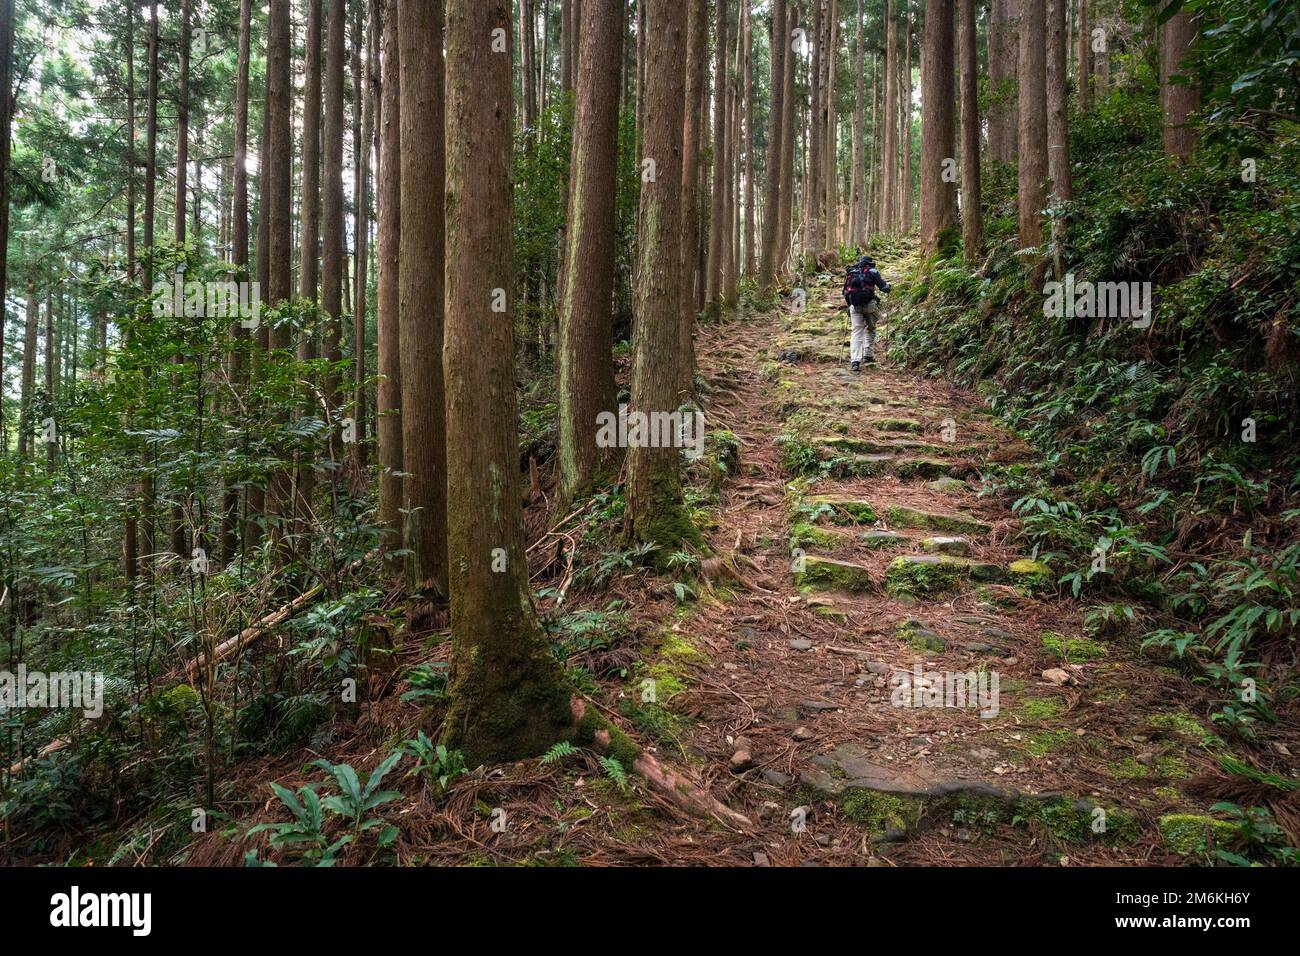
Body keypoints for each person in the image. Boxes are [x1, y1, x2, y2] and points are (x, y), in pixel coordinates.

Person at [841, 256, 890, 371]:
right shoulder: (872, 271)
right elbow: (884, 287)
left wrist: (850, 305)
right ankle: (868, 354)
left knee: (856, 332)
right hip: (870, 306)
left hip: (855, 306)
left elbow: (844, 291)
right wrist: (889, 287)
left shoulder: (852, 272)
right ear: (870, 263)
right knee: (871, 328)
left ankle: (855, 361)